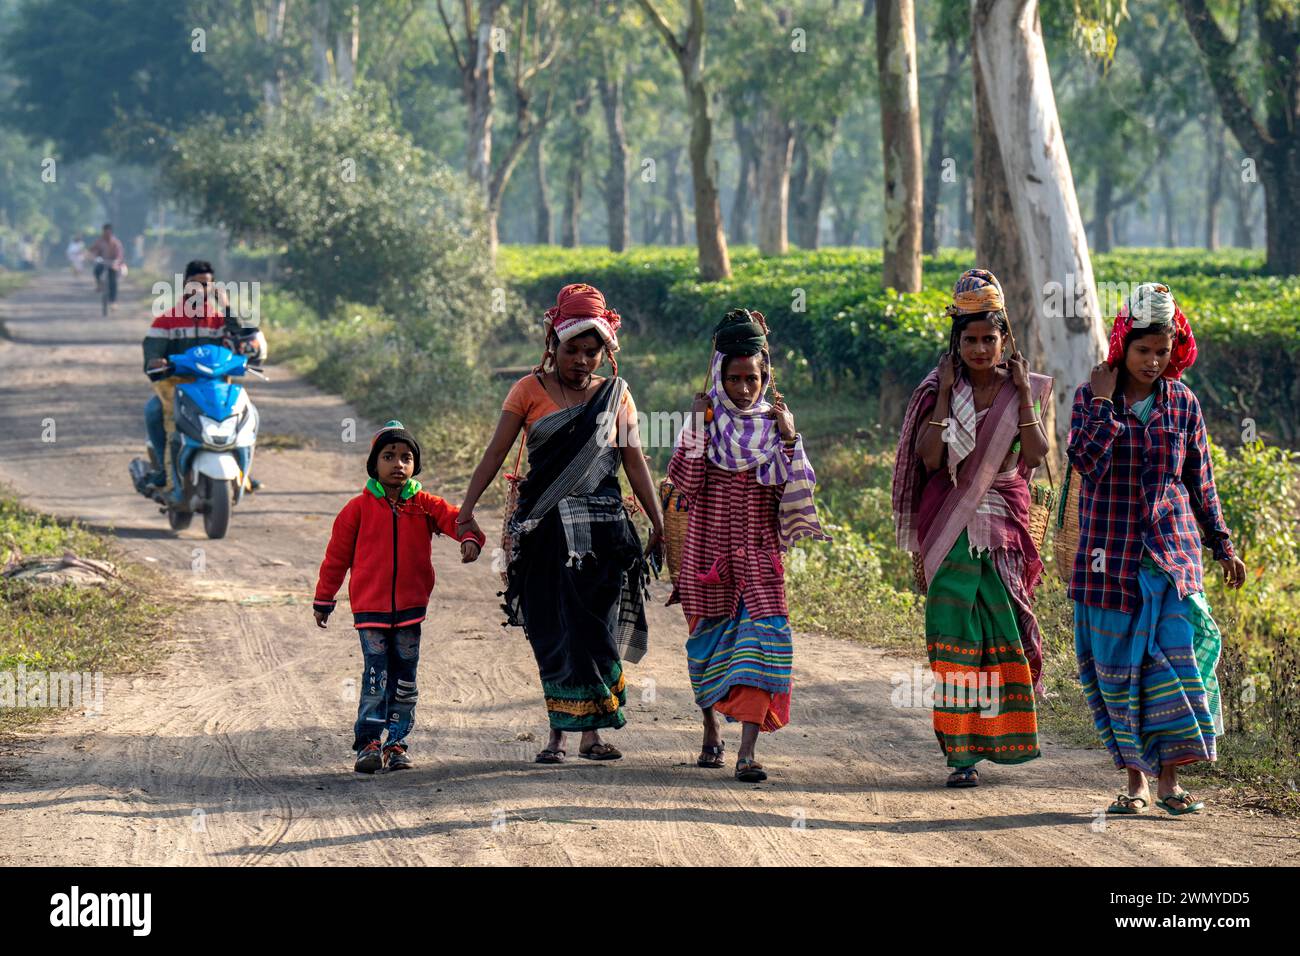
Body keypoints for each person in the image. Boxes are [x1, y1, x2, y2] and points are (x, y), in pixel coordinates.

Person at [458, 283, 664, 764]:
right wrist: (467, 508)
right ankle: (557, 733)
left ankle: (593, 735)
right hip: (544, 533)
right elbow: (495, 453)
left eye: (592, 352)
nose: (582, 361)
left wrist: (656, 521)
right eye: (573, 349)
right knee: (554, 628)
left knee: (597, 627)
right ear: (553, 344)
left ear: (603, 353)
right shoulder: (527, 391)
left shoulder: (616, 397)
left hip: (603, 534)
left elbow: (634, 463)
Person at [1067, 282, 1246, 817]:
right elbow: (1087, 463)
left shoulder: (1183, 404)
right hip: (1110, 561)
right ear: (1123, 345)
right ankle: (1135, 782)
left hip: (1172, 558)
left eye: (1162, 352)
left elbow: (1200, 482)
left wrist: (1223, 545)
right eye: (1143, 350)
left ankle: (1169, 781)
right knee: (1123, 672)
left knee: (1174, 661)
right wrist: (1102, 403)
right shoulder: (1090, 397)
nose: (1152, 361)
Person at [892, 268, 1052, 788]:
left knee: (1000, 633)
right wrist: (941, 397)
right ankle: (960, 756)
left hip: (1004, 525)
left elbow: (1035, 455)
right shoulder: (935, 391)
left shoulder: (1021, 392)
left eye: (990, 338)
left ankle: (1000, 739)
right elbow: (932, 459)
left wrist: (1025, 395)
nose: (981, 349)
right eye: (971, 340)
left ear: (1005, 339)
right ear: (956, 343)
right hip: (950, 527)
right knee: (955, 638)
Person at [667, 309, 828, 782]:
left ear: (765, 378)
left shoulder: (777, 428)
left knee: (763, 645)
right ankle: (710, 730)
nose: (743, 388)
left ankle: (747, 752)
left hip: (758, 558)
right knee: (707, 649)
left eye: (752, 379)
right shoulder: (704, 423)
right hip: (707, 555)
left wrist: (790, 438)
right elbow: (688, 485)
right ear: (719, 375)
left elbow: (794, 494)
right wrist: (697, 427)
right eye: (734, 378)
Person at [313, 422, 485, 773]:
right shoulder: (356, 510)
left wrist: (470, 538)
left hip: (409, 611)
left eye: (406, 458)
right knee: (375, 676)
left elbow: (456, 518)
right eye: (388, 456)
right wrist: (324, 599)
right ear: (374, 464)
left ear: (414, 466)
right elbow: (335, 559)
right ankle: (369, 743)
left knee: (405, 679)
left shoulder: (423, 504)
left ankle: (396, 743)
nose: (398, 464)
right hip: (370, 612)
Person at [140, 260, 265, 499]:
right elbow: (151, 353)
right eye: (195, 284)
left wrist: (226, 305)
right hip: (177, 385)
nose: (200, 290)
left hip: (215, 387)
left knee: (251, 414)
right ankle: (164, 473)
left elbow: (238, 339)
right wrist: (156, 362)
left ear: (213, 288)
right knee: (153, 411)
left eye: (206, 285)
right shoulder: (166, 321)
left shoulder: (219, 321)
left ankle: (242, 471)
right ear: (185, 285)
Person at [88, 223, 125, 306]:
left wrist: (117, 261)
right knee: (96, 271)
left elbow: (119, 254)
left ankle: (113, 302)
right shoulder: (99, 241)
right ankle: (99, 284)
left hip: (112, 263)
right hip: (102, 262)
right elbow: (92, 249)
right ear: (103, 232)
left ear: (111, 232)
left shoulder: (116, 243)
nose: (107, 234)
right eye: (105, 232)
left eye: (108, 232)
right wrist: (92, 256)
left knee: (113, 282)